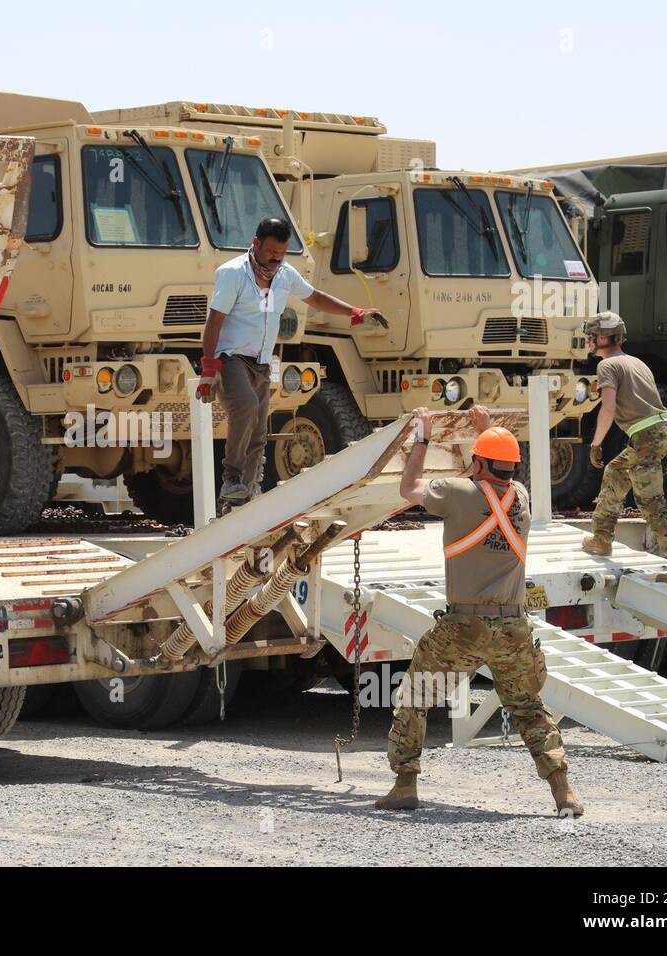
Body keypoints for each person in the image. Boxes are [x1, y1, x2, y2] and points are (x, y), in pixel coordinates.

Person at [376, 404, 584, 817]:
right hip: (513, 627)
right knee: (528, 709)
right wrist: (487, 430)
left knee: (415, 697)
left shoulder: (459, 494)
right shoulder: (521, 499)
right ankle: (564, 793)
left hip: (463, 627)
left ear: (479, 463)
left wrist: (423, 435)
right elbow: (501, 472)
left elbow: (410, 486)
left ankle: (405, 784)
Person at [199, 217, 379, 511]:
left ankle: (245, 495)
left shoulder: (285, 274)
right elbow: (214, 321)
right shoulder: (232, 274)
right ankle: (231, 476)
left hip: (261, 363)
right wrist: (208, 369)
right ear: (256, 244)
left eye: (281, 254)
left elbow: (316, 298)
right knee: (244, 406)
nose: (276, 259)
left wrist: (355, 313)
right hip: (230, 358)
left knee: (258, 431)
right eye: (271, 252)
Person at [579, 312, 667, 583]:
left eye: (590, 336)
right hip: (659, 431)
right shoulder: (635, 362)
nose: (587, 341)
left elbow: (608, 408)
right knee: (616, 472)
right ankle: (601, 538)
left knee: (650, 501)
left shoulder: (607, 366)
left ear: (601, 338)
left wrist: (596, 444)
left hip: (647, 436)